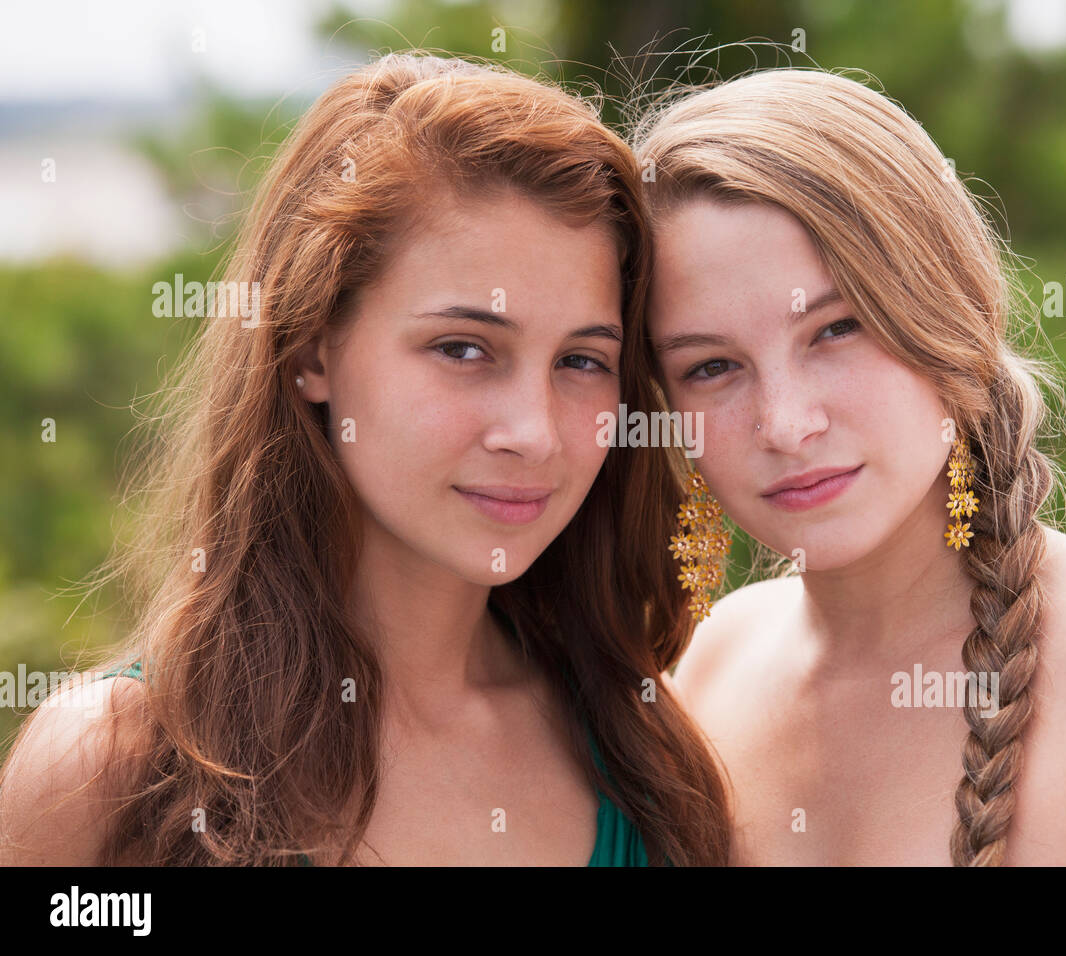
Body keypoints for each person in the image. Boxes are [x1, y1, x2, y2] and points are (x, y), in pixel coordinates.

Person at [0, 53, 729, 866]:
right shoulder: (112, 769)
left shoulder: (646, 757)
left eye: (581, 361)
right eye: (463, 348)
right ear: (311, 347)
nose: (535, 432)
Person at [632, 67, 1066, 865]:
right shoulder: (704, 670)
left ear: (947, 311)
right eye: (711, 367)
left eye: (837, 330)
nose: (785, 423)